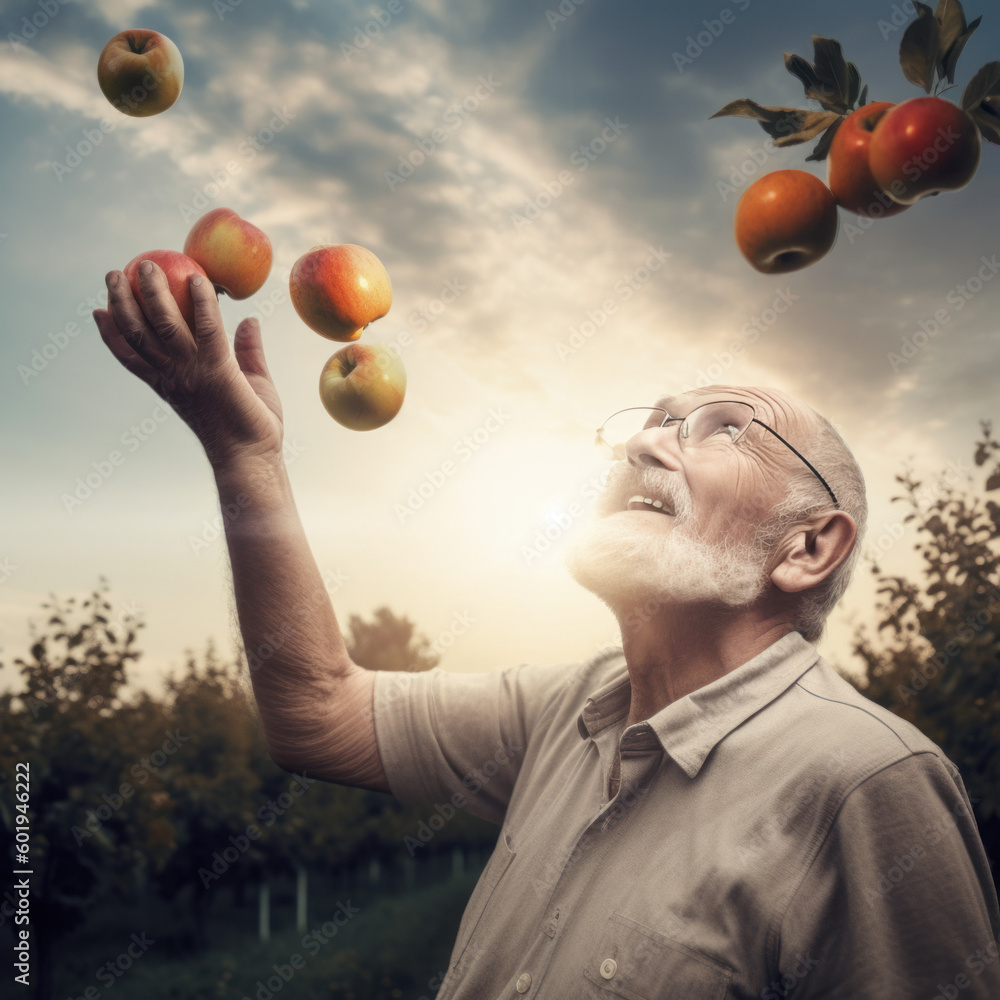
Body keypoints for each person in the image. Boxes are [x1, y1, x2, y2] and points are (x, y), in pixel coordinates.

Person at [94, 262, 1000, 999]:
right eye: (652, 423)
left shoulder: (867, 785)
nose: (644, 444)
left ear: (806, 546)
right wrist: (242, 451)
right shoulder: (560, 712)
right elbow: (316, 712)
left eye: (723, 429)